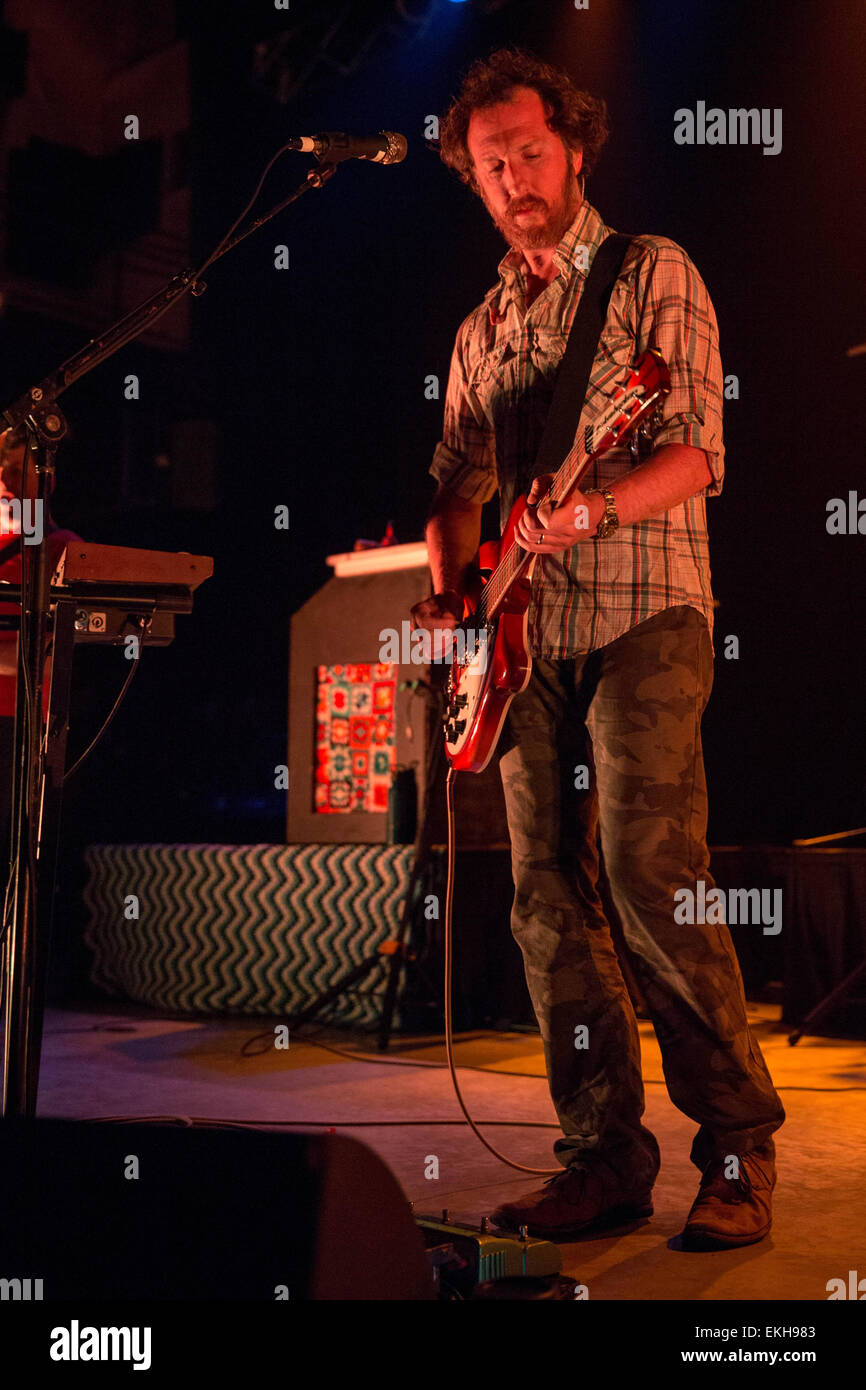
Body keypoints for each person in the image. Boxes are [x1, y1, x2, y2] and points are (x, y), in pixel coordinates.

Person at [411, 48, 784, 1250]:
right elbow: (456, 493)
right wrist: (450, 597)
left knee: (644, 869)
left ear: (573, 146)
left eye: (526, 150)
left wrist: (591, 510)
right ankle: (600, 1156)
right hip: (518, 643)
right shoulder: (478, 328)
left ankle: (733, 1148)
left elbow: (695, 454)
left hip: (642, 609)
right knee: (540, 901)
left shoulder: (648, 271)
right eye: (486, 164)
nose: (511, 175)